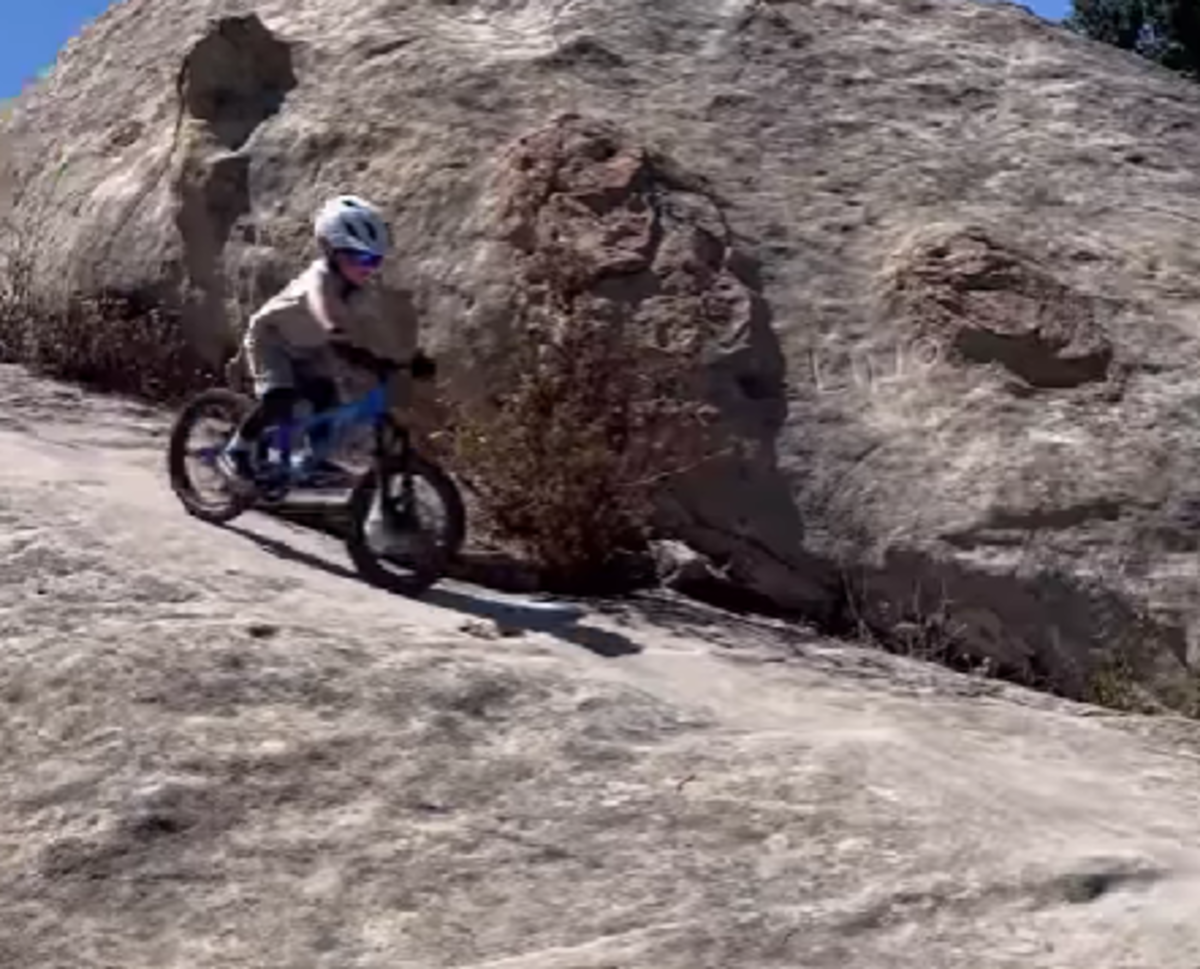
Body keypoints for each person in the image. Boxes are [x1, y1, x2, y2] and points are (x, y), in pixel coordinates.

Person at [220, 194, 429, 486]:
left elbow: (380, 331)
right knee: (280, 397)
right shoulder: (318, 278)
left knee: (327, 399)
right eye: (360, 258)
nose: (368, 267)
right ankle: (237, 450)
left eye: (375, 259)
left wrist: (408, 357)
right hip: (272, 340)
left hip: (312, 347)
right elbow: (322, 306)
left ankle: (308, 461)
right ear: (332, 250)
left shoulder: (360, 290)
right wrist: (335, 331)